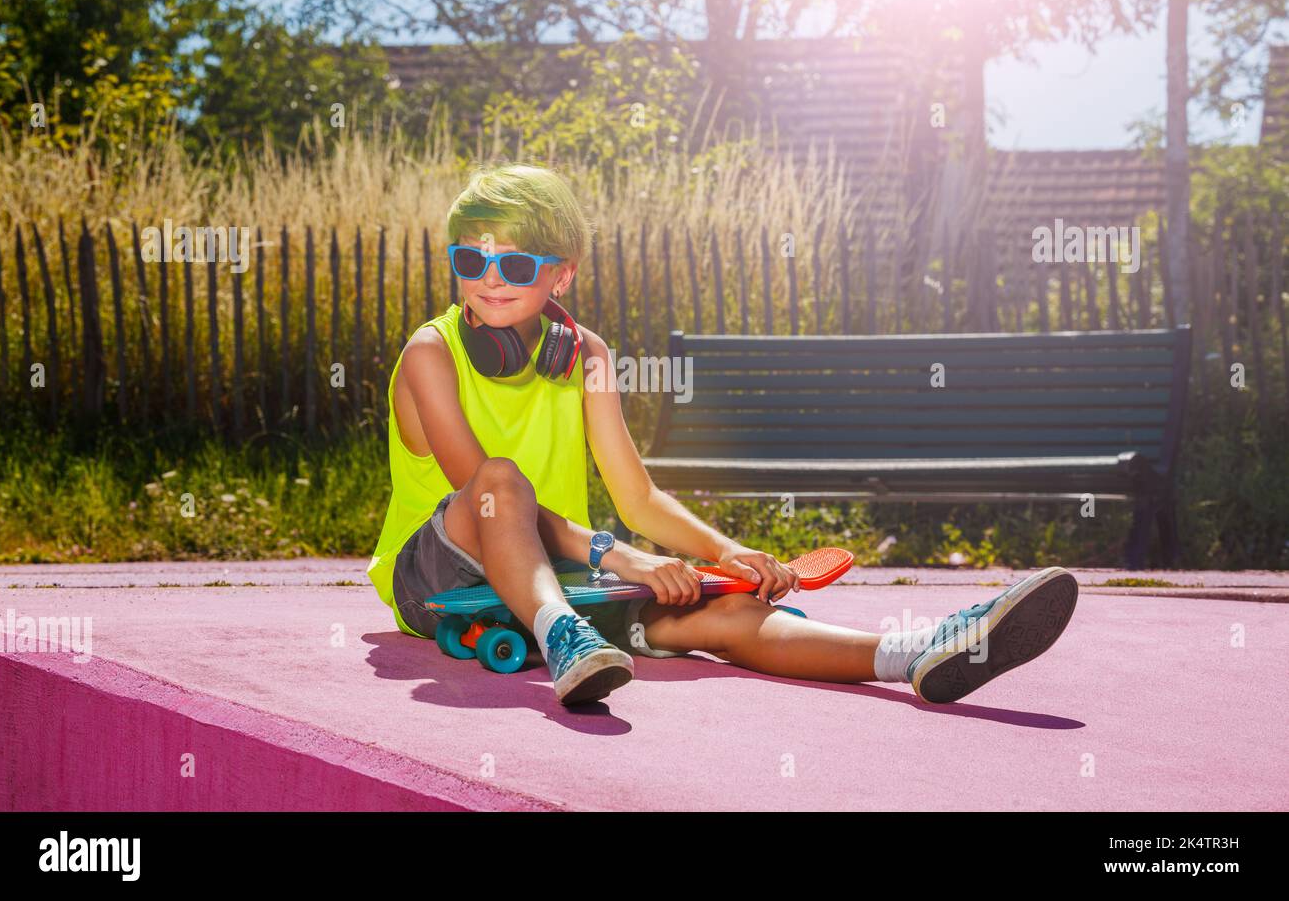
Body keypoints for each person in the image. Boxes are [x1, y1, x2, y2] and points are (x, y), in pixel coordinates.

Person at [366, 163, 1079, 706]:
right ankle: (561, 638)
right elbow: (483, 496)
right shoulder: (432, 353)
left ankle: (915, 651)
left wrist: (729, 553)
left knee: (728, 610)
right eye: (470, 261)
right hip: (441, 573)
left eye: (515, 265)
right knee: (501, 480)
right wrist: (625, 561)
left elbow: (637, 496)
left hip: (560, 571)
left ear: (563, 274)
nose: (489, 280)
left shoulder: (586, 355)